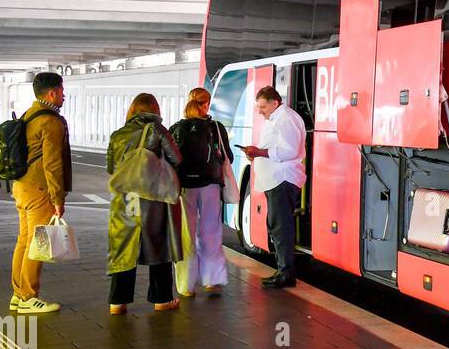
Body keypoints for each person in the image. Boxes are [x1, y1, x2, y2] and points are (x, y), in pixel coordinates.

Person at [106, 93, 184, 313]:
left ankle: (117, 302)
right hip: (153, 199)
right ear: (155, 109)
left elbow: (111, 168)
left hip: (123, 199)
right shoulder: (157, 130)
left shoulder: (118, 134)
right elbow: (177, 159)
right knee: (158, 245)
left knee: (123, 249)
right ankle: (161, 299)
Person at [9, 71, 72, 315]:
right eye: (62, 91)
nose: (64, 96)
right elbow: (52, 164)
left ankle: (18, 294)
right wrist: (58, 199)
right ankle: (28, 297)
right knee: (38, 244)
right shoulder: (51, 122)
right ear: (52, 92)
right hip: (39, 190)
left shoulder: (29, 114)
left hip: (22, 187)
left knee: (24, 241)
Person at [237, 85, 305, 290]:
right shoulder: (277, 118)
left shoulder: (285, 119)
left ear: (275, 103)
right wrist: (257, 152)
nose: (260, 111)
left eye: (263, 107)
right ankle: (283, 270)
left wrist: (259, 152)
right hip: (276, 181)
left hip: (281, 180)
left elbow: (289, 151)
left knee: (281, 227)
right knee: (277, 226)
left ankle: (286, 274)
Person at [170, 87, 234, 298]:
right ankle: (212, 280)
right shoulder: (215, 127)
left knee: (185, 234)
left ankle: (186, 286)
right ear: (206, 104)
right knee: (210, 231)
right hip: (210, 186)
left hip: (184, 187)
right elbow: (228, 157)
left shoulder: (177, 128)